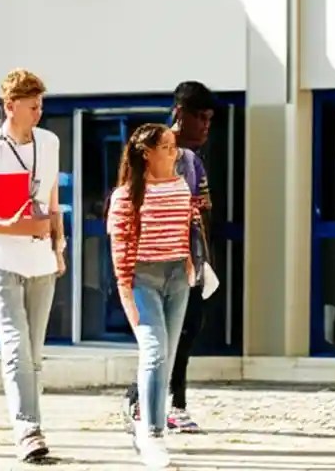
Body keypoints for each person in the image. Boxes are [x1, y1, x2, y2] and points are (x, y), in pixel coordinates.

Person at [0, 68, 65, 463]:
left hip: (41, 262)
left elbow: (52, 200)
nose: (39, 112)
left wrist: (60, 246)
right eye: (32, 105)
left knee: (35, 353)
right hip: (1, 259)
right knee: (16, 347)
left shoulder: (49, 143)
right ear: (10, 106)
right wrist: (7, 223)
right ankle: (27, 429)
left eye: (41, 105)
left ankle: (31, 422)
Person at [122, 81, 216, 433]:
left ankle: (165, 402)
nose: (206, 126)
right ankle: (152, 405)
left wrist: (204, 261)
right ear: (180, 113)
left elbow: (204, 212)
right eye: (201, 118)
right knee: (159, 339)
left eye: (210, 119)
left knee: (184, 332)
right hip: (150, 263)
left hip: (187, 261)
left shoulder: (192, 161)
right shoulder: (153, 152)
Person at [108, 123, 196, 469]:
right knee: (155, 353)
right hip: (142, 279)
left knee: (167, 356)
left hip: (177, 278)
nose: (175, 152)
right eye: (167, 147)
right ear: (147, 154)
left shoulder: (180, 185)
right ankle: (153, 433)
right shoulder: (125, 196)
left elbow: (186, 229)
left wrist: (189, 263)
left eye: (174, 146)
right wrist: (127, 293)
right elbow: (120, 249)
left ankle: (146, 422)